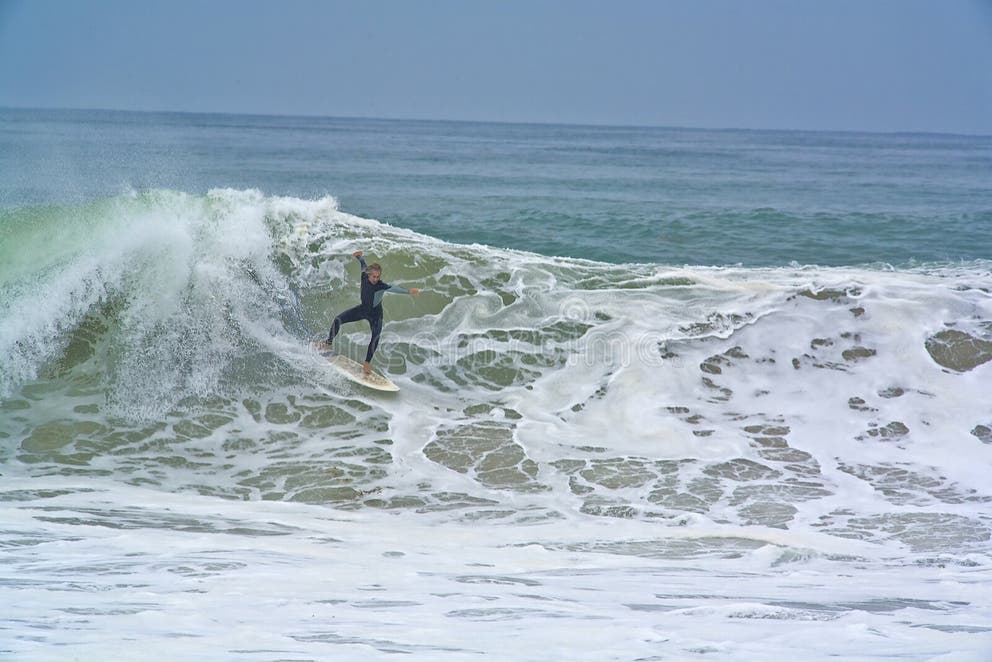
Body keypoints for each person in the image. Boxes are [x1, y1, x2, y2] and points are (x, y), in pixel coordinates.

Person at [320, 251, 420, 374]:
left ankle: (367, 363)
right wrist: (359, 257)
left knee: (375, 337)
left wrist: (409, 291)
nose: (376, 279)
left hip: (375, 316)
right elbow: (363, 264)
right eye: (374, 276)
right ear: (368, 275)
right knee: (338, 320)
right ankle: (328, 343)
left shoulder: (380, 286)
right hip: (363, 309)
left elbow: (394, 288)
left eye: (378, 277)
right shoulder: (364, 275)